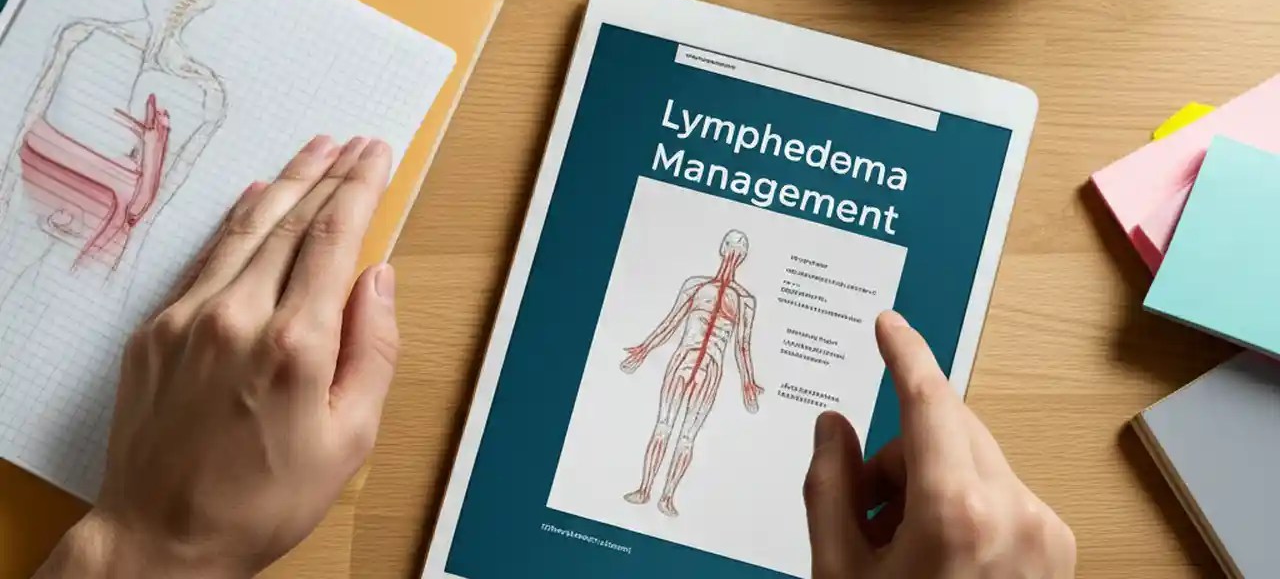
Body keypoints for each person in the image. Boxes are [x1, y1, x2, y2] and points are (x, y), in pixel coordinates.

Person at [32, 137, 1077, 578]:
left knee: (686, 419)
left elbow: (738, 337)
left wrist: (142, 550)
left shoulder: (746, 296)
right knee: (664, 430)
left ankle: (658, 483)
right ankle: (649, 487)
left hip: (715, 371)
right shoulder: (700, 286)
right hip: (678, 365)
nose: (722, 257)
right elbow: (677, 322)